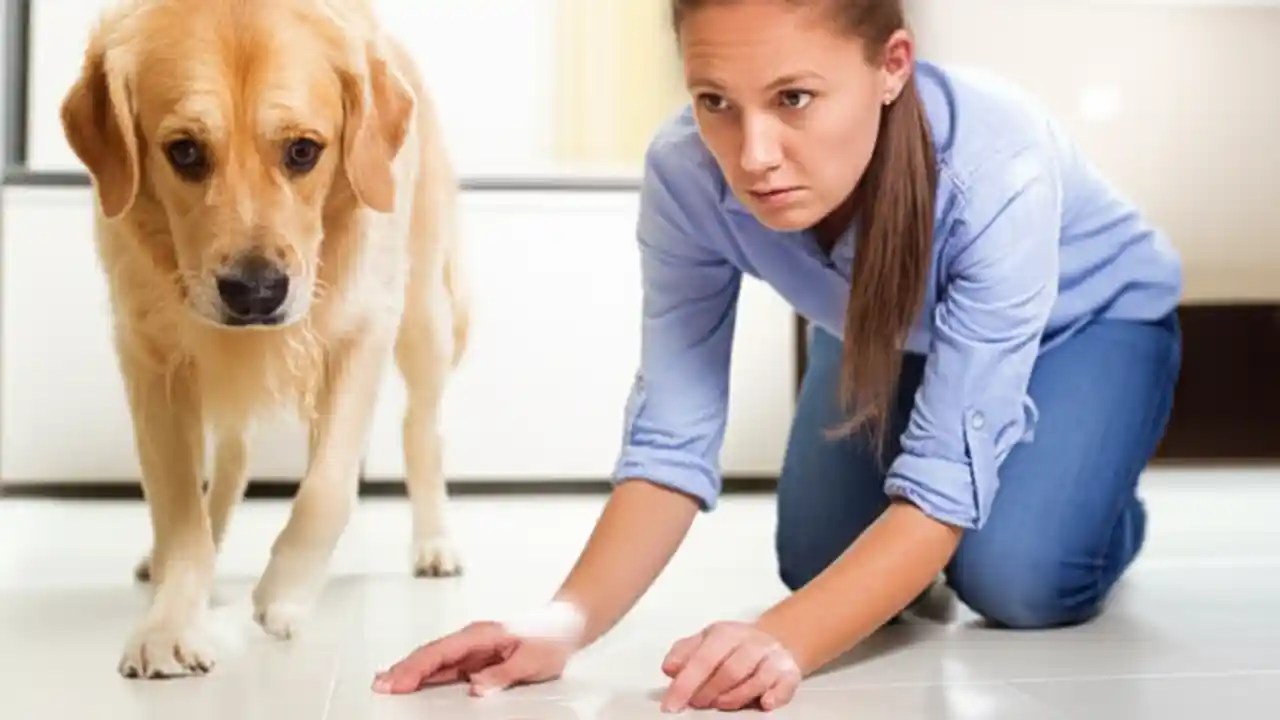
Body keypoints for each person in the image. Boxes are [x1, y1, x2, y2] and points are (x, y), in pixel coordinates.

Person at [372, 0, 1183, 712]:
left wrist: (780, 642)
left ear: (891, 66)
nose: (753, 152)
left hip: (1085, 325)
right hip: (886, 333)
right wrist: (559, 625)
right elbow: (671, 436)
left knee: (1018, 579)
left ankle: (1088, 491)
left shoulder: (996, 163)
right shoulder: (686, 173)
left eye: (793, 98)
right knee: (815, 562)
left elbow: (940, 487)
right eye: (714, 100)